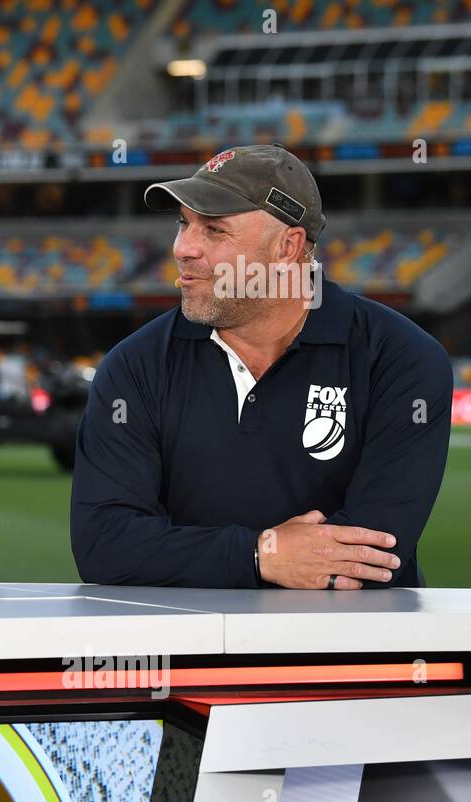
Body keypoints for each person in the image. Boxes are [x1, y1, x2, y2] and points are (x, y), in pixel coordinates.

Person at [71, 144, 452, 589]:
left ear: (288, 246)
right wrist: (260, 555)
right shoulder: (134, 365)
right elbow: (104, 545)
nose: (182, 248)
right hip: (194, 652)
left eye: (214, 230)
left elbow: (369, 555)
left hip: (350, 654)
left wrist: (189, 555)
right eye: (183, 223)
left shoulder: (399, 358)